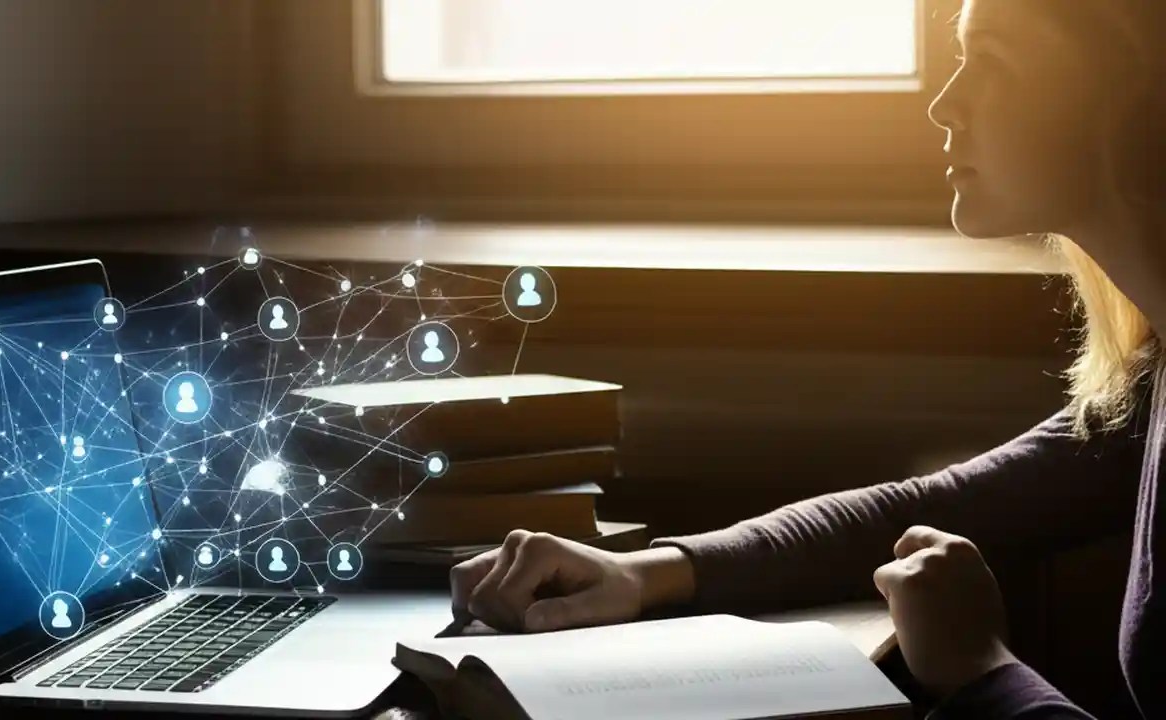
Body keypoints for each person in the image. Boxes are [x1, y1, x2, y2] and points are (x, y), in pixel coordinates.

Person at [449, 0, 1164, 717]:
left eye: (996, 64)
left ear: (1134, 100)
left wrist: (979, 668)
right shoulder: (1153, 385)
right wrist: (645, 574)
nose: (946, 106)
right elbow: (943, 505)